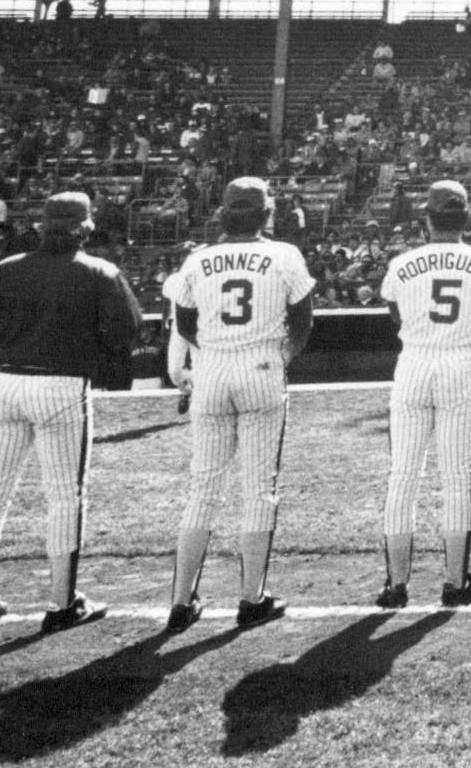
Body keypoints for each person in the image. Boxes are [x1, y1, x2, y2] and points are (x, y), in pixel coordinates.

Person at [0, 192, 144, 634]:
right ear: (86, 227)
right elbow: (125, 333)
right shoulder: (101, 271)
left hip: (6, 383)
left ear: (41, 226)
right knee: (65, 496)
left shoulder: (4, 270)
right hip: (61, 384)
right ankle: (62, 603)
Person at [161, 178, 318, 633]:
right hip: (262, 366)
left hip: (211, 368)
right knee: (259, 485)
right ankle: (252, 597)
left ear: (224, 213)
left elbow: (186, 325)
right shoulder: (285, 255)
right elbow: (304, 321)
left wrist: (214, 354)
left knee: (203, 488)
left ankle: (180, 600)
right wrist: (279, 358)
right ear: (267, 213)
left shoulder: (197, 259)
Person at [376, 179, 471, 607]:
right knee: (456, 477)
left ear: (426, 219)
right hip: (458, 363)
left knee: (403, 475)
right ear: (466, 218)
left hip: (413, 361)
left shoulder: (403, 263)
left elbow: (394, 314)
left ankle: (395, 585)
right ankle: (455, 581)